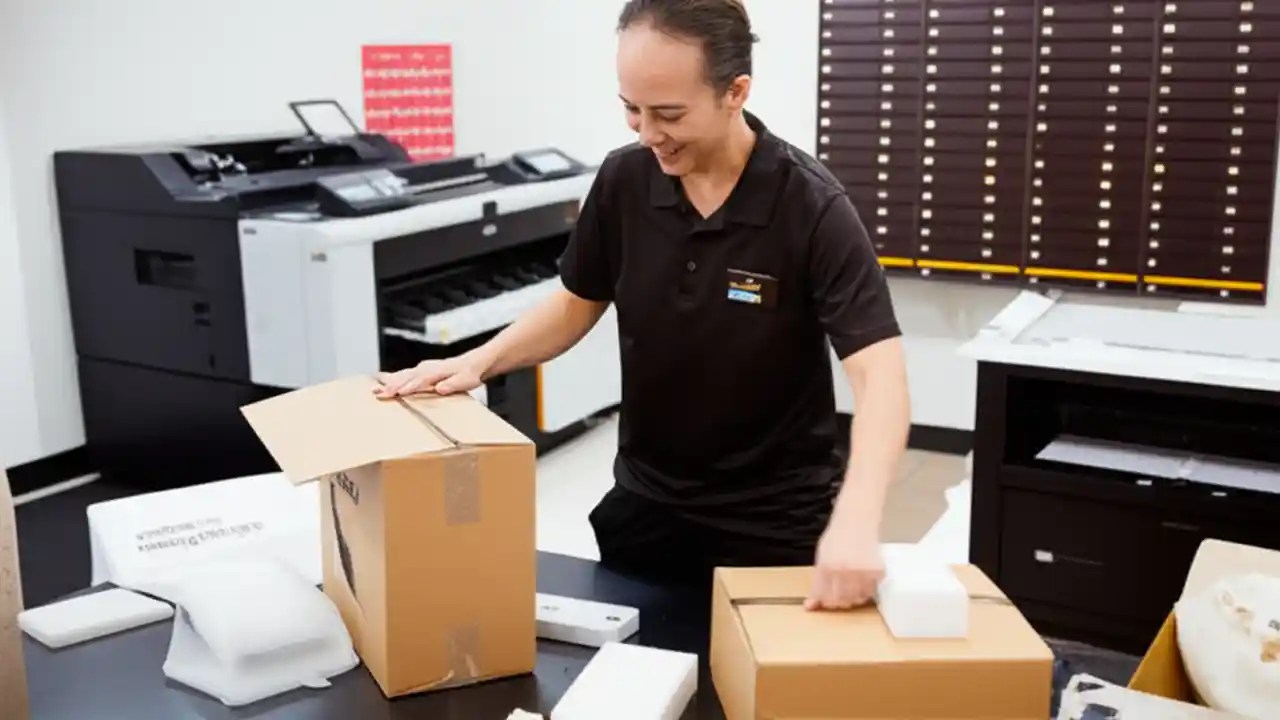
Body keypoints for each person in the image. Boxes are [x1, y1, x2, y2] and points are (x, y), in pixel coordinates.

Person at [376, 0, 910, 611]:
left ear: (735, 91)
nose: (647, 132)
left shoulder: (810, 206)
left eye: (669, 113)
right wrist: (481, 361)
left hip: (773, 526)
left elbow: (882, 380)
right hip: (646, 508)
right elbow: (579, 301)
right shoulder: (624, 180)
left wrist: (858, 519)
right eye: (631, 108)